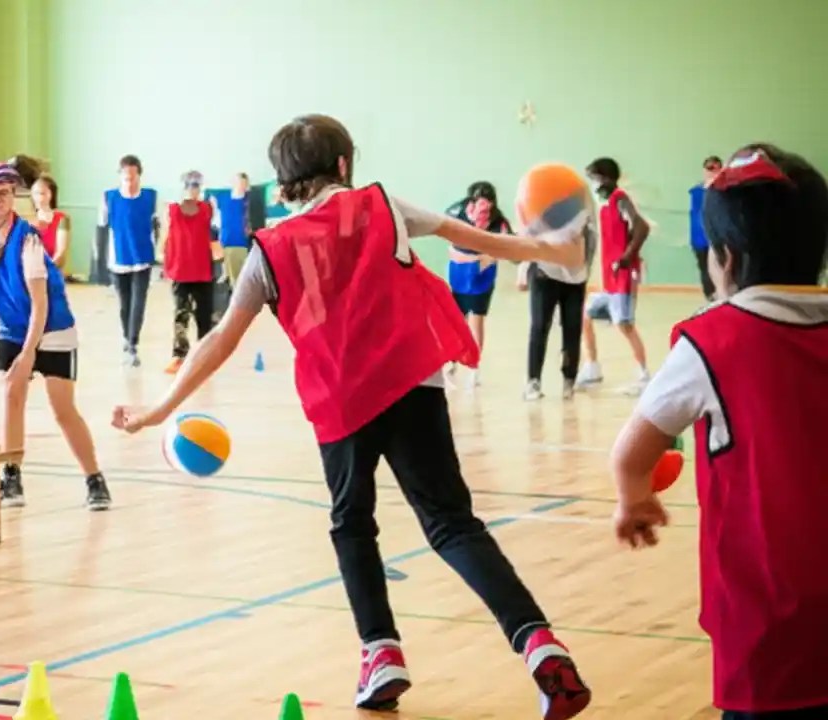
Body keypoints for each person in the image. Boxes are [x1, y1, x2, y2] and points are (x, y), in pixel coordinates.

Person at [112, 114, 590, 718]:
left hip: (341, 401)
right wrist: (549, 250)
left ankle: (381, 653)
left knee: (351, 524)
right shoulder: (383, 204)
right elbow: (467, 238)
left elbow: (219, 340)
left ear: (283, 182)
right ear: (343, 165)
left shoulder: (269, 250)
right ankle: (539, 642)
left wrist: (160, 407)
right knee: (451, 524)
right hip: (412, 383)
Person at [609, 144, 828, 720]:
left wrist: (634, 497)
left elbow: (633, 448)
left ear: (725, 259)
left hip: (765, 619)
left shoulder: (713, 341)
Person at [0, 162, 111, 510]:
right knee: (11, 394)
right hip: (11, 326)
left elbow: (40, 304)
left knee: (63, 409)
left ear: (13, 197)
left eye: (3, 193)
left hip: (53, 326)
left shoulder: (27, 238)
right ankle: (11, 475)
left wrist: (29, 353)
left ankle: (94, 477)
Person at [576, 157, 650, 394]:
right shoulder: (606, 204)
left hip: (623, 276)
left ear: (607, 177)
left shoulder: (620, 198)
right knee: (584, 315)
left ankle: (643, 374)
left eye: (596, 178)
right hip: (609, 279)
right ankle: (592, 366)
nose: (594, 184)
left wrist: (628, 256)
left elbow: (642, 227)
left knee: (624, 325)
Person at [519, 218, 597, 401]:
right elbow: (528, 236)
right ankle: (533, 380)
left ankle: (569, 379)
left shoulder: (581, 206)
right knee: (539, 326)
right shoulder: (542, 206)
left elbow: (591, 238)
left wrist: (585, 269)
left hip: (575, 278)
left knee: (572, 328)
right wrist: (524, 269)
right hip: (544, 274)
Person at [444, 181, 509, 389]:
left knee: (477, 319)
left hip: (482, 274)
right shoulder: (457, 211)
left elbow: (506, 245)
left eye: (486, 202)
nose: (481, 207)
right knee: (456, 318)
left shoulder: (498, 220)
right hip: (459, 272)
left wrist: (488, 257)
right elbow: (445, 228)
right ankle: (451, 362)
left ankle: (474, 366)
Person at [99, 154, 158, 367]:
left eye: (133, 178)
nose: (130, 182)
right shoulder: (109, 197)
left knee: (138, 303)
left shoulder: (151, 197)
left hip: (142, 258)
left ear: (139, 176)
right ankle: (126, 336)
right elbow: (102, 230)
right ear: (120, 176)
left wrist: (158, 254)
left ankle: (133, 344)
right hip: (118, 260)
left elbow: (158, 228)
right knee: (125, 304)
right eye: (126, 178)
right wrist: (100, 264)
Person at [163, 170, 219, 374]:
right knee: (181, 315)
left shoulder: (207, 209)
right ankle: (179, 356)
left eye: (196, 186)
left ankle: (205, 356)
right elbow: (165, 236)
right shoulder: (173, 210)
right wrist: (164, 263)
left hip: (202, 270)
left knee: (204, 316)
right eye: (189, 186)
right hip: (180, 271)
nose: (193, 190)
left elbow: (214, 237)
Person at [689, 156, 724, 301]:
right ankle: (710, 297)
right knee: (705, 269)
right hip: (701, 239)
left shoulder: (725, 190)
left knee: (722, 267)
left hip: (720, 237)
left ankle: (722, 295)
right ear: (705, 170)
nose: (714, 171)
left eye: (717, 168)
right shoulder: (697, 192)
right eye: (710, 168)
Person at [212, 172, 251, 286]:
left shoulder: (248, 200)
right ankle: (226, 274)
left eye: (244, 184)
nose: (242, 186)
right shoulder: (223, 198)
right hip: (226, 236)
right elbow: (213, 204)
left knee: (239, 269)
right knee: (227, 259)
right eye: (239, 183)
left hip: (241, 239)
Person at [30, 174, 70, 271]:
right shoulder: (27, 220)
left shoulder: (62, 218)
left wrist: (45, 270)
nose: (38, 198)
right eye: (35, 193)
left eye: (42, 193)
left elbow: (60, 253)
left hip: (51, 272)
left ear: (51, 194)